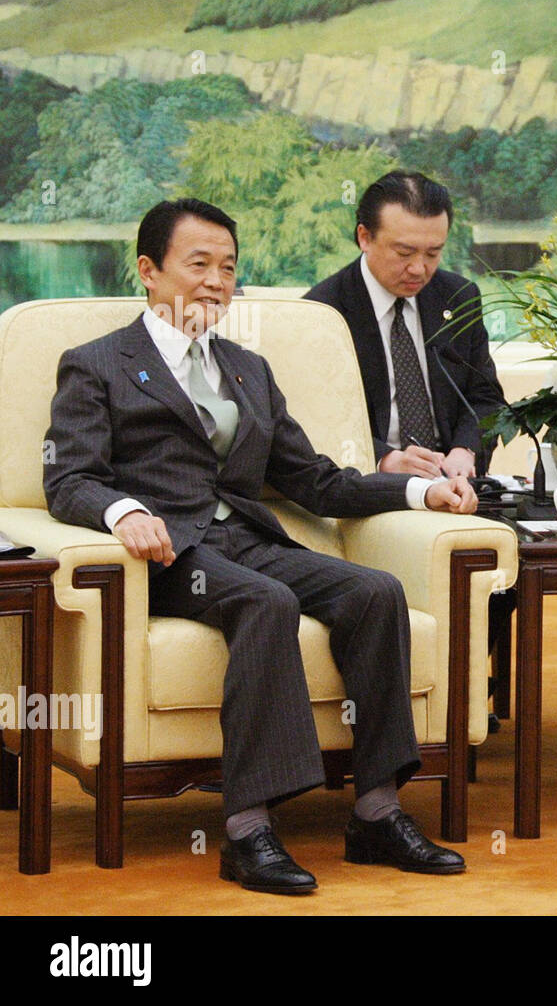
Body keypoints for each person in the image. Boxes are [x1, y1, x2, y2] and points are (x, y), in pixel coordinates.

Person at [44, 198, 481, 894]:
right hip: (166, 556)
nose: (217, 281)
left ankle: (375, 811)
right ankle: (248, 831)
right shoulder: (98, 365)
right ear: (149, 271)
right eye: (199, 264)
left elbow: (312, 481)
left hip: (247, 538)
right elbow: (68, 477)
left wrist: (417, 493)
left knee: (374, 592)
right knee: (266, 601)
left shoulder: (247, 368)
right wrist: (124, 510)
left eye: (228, 267)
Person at [305, 171, 504, 479]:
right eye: (404, 253)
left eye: (433, 253)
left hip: (452, 483)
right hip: (369, 487)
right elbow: (315, 417)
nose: (418, 269)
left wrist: (466, 451)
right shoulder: (323, 310)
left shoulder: (458, 297)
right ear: (364, 237)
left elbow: (485, 397)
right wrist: (383, 460)